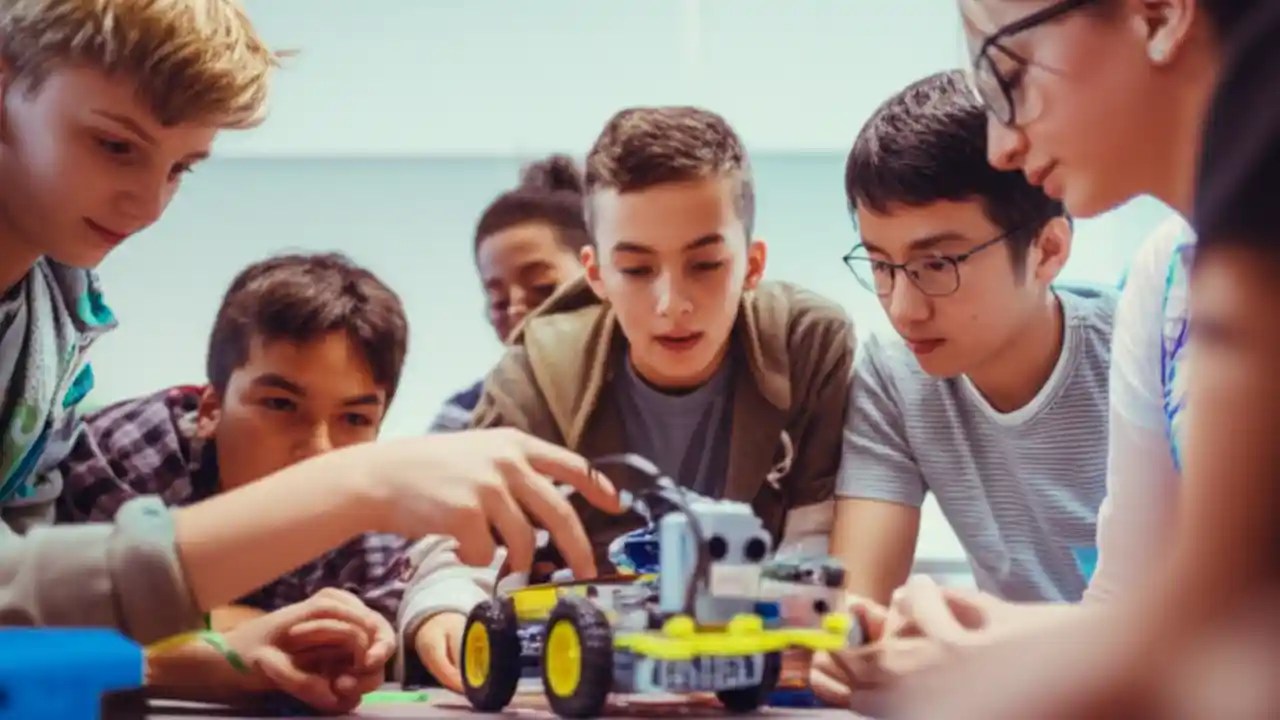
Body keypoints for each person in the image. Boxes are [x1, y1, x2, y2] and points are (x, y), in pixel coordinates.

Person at [0, 0, 624, 698]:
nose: (149, 204)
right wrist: (359, 486)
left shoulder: (54, 312)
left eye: (183, 169)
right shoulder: (124, 437)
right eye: (115, 145)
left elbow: (16, 629)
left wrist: (207, 664)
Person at [883, 1, 1280, 716]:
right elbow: (1150, 611)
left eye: (1010, 78)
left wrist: (986, 679)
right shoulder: (1165, 280)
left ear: (1158, 14)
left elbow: (1223, 632)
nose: (1001, 146)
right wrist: (982, 641)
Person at [401, 105, 857, 691]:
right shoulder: (537, 367)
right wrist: (441, 610)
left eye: (707, 264)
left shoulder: (807, 344)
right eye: (637, 269)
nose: (672, 303)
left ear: (753, 264)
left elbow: (818, 538)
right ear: (595, 274)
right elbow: (460, 540)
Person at [57, 253, 411, 632]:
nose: (320, 451)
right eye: (281, 404)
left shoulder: (371, 516)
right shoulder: (130, 457)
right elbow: (79, 607)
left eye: (355, 419)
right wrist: (251, 627)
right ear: (211, 408)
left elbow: (387, 618)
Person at [430, 155, 589, 432]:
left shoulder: (647, 398)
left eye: (542, 288)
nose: (516, 309)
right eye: (499, 302)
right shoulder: (463, 416)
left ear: (599, 278)